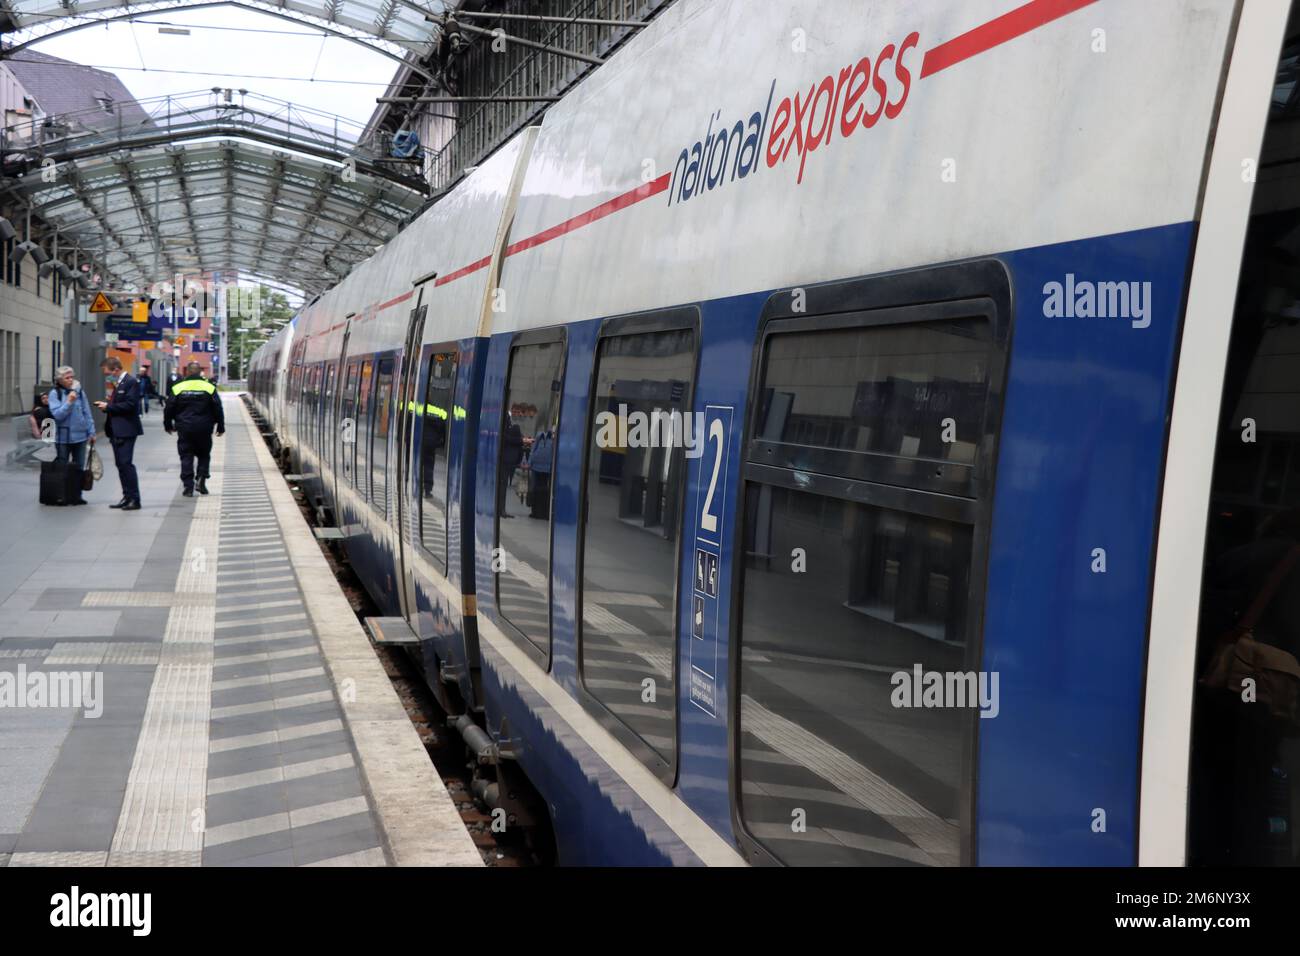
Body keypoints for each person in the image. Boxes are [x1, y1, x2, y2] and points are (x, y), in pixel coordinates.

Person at [164, 360, 224, 497]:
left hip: (184, 428)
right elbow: (217, 407)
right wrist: (220, 426)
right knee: (204, 454)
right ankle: (201, 479)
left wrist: (168, 425)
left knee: (186, 455)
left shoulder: (178, 387)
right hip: (204, 427)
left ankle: (188, 486)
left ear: (187, 372)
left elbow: (169, 408)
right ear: (200, 372)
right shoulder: (208, 387)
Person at [94, 356, 143, 510]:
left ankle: (134, 499)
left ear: (115, 369)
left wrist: (108, 407)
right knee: (120, 464)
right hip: (117, 430)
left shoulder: (130, 382)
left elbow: (130, 405)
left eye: (107, 372)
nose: (106, 375)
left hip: (126, 429)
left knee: (126, 464)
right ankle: (127, 496)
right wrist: (108, 405)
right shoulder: (120, 383)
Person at [48, 366, 95, 506]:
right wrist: (69, 401)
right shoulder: (54, 394)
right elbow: (57, 415)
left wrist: (91, 431)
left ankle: (76, 495)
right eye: (67, 378)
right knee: (62, 466)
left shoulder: (80, 392)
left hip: (80, 436)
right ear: (59, 380)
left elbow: (87, 412)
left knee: (79, 466)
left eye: (71, 377)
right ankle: (61, 494)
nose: (70, 380)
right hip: (63, 437)